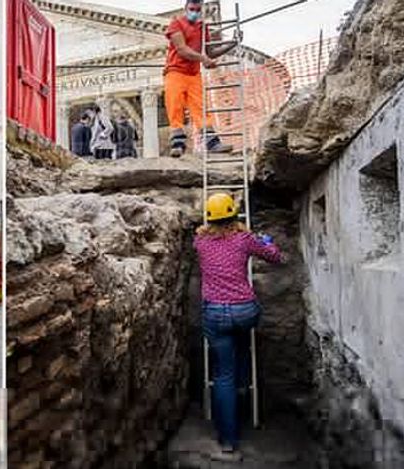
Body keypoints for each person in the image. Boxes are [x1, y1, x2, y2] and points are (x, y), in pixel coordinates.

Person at [194, 193, 282, 461]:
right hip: (245, 311)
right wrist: (267, 242)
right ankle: (244, 386)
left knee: (223, 375)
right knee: (242, 343)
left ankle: (228, 441)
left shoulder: (199, 242)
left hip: (215, 314)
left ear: (209, 216)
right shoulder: (244, 239)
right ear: (234, 214)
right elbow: (275, 257)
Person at [164, 0, 239, 157]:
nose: (195, 12)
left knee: (201, 108)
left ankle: (212, 143)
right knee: (175, 106)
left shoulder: (202, 28)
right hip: (175, 72)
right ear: (185, 9)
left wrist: (232, 43)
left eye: (198, 10)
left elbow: (211, 52)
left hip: (193, 74)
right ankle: (178, 144)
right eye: (192, 9)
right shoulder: (176, 23)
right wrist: (203, 59)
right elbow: (182, 49)